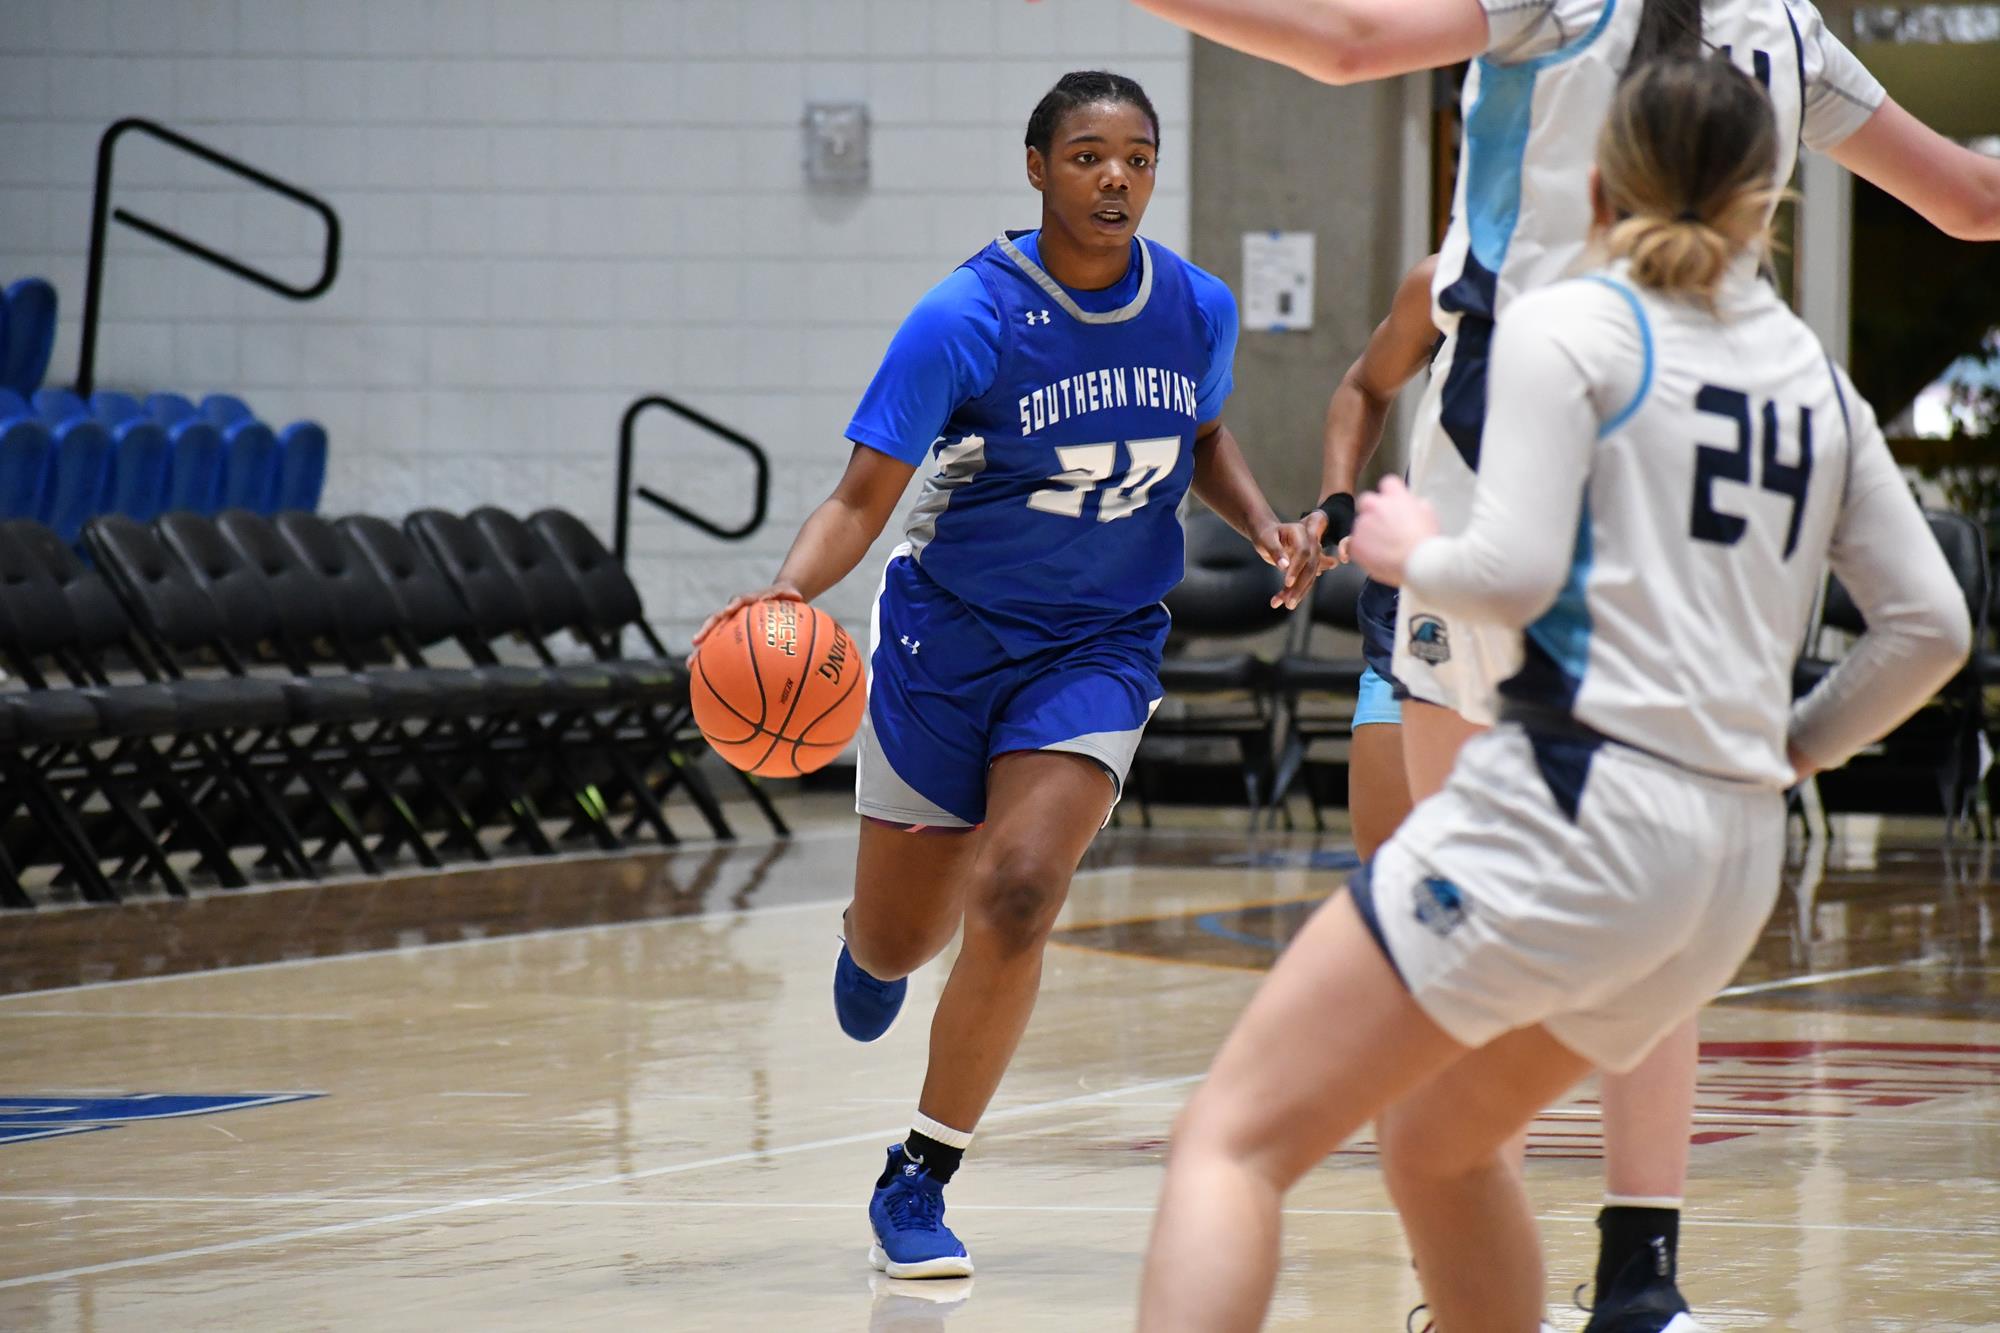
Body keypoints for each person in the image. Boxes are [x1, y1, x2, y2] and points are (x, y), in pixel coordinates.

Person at [1135, 1, 2000, 1323]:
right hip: (1729, 825)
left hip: (1521, 464)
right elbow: (1974, 205)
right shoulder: (1795, 123)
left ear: (1603, 180)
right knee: (1552, 1015)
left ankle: (1465, 1281)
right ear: (1765, 187)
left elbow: (1350, 38)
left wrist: (1409, 550)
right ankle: (1643, 1278)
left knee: (1262, 1118)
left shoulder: (1561, 297)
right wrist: (1799, 746)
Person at [691, 71, 1318, 1281]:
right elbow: (861, 494)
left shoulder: (1193, 306)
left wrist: (1261, 522)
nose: (1115, 177)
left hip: (1096, 646)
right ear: (1036, 167)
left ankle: (919, 1172)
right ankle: (867, 950)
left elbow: (1199, 437)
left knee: (1024, 888)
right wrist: (784, 594)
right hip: (947, 644)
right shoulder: (961, 317)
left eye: (1136, 155)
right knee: (896, 944)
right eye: (1087, 155)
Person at [1305, 254, 1438, 859]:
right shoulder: (1446, 279)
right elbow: (1364, 385)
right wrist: (1338, 501)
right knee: (1390, 890)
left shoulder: (1629, 288)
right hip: (1417, 619)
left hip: (1548, 630)